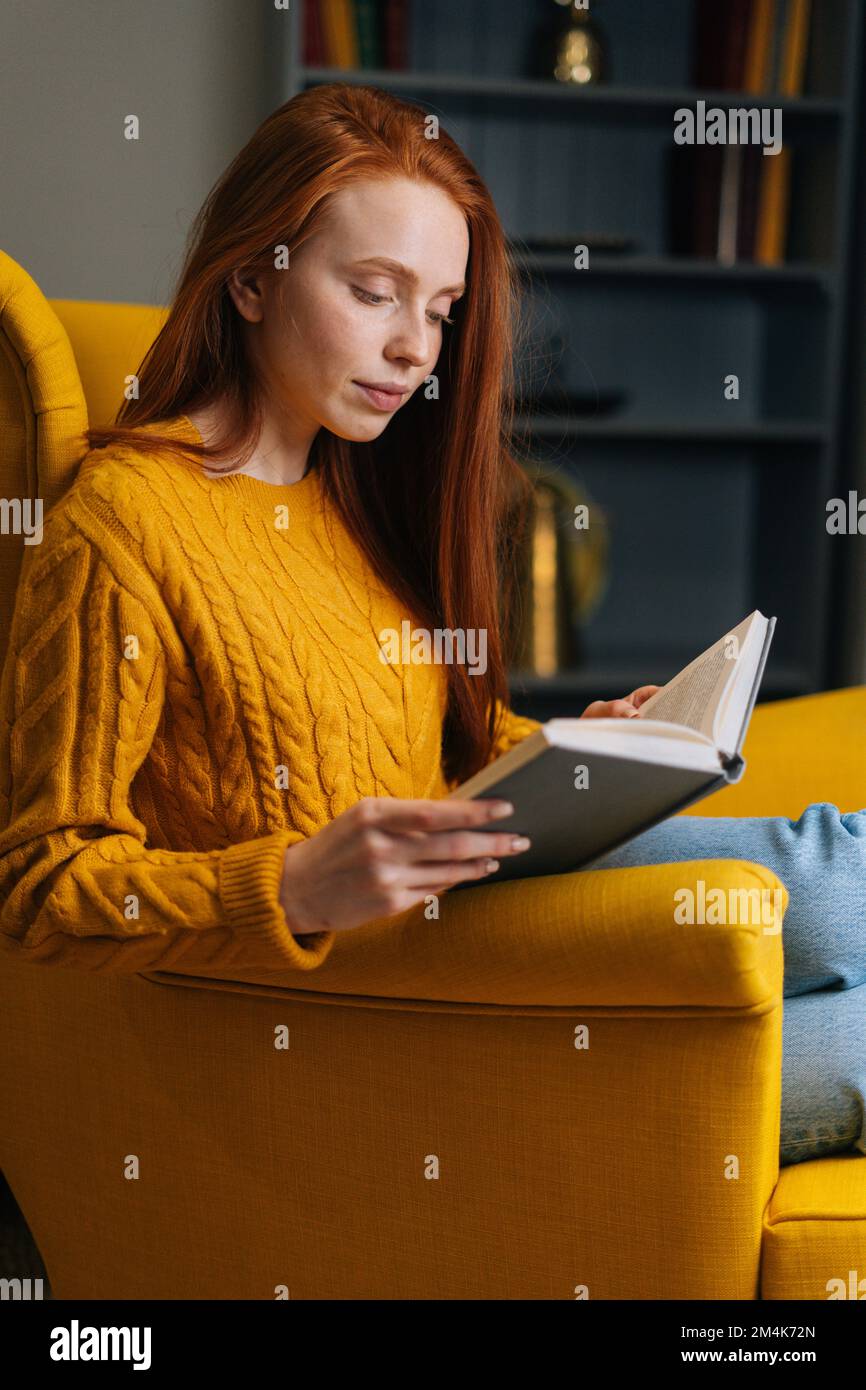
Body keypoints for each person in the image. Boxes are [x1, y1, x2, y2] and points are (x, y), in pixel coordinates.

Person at [0, 84, 862, 1169]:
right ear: (252, 280)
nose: (417, 350)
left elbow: (412, 752)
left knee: (837, 873)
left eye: (442, 311)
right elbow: (36, 886)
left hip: (468, 932)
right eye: (374, 292)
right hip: (363, 1023)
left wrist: (566, 752)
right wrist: (293, 882)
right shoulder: (120, 525)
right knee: (845, 952)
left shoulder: (351, 500)